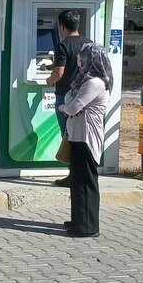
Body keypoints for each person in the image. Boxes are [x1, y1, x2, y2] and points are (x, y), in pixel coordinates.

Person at [57, 42, 113, 238]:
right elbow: (69, 99)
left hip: (87, 138)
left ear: (92, 60)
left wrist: (63, 108)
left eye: (82, 58)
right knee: (77, 180)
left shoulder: (94, 83)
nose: (79, 61)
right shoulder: (83, 81)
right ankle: (78, 220)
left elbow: (71, 107)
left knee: (86, 181)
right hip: (77, 135)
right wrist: (68, 105)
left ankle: (89, 226)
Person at [46, 10, 91, 188]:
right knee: (82, 136)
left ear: (61, 26)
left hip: (65, 97)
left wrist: (49, 79)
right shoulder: (89, 44)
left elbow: (59, 73)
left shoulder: (62, 45)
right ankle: (82, 173)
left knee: (69, 135)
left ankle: (73, 175)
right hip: (86, 96)